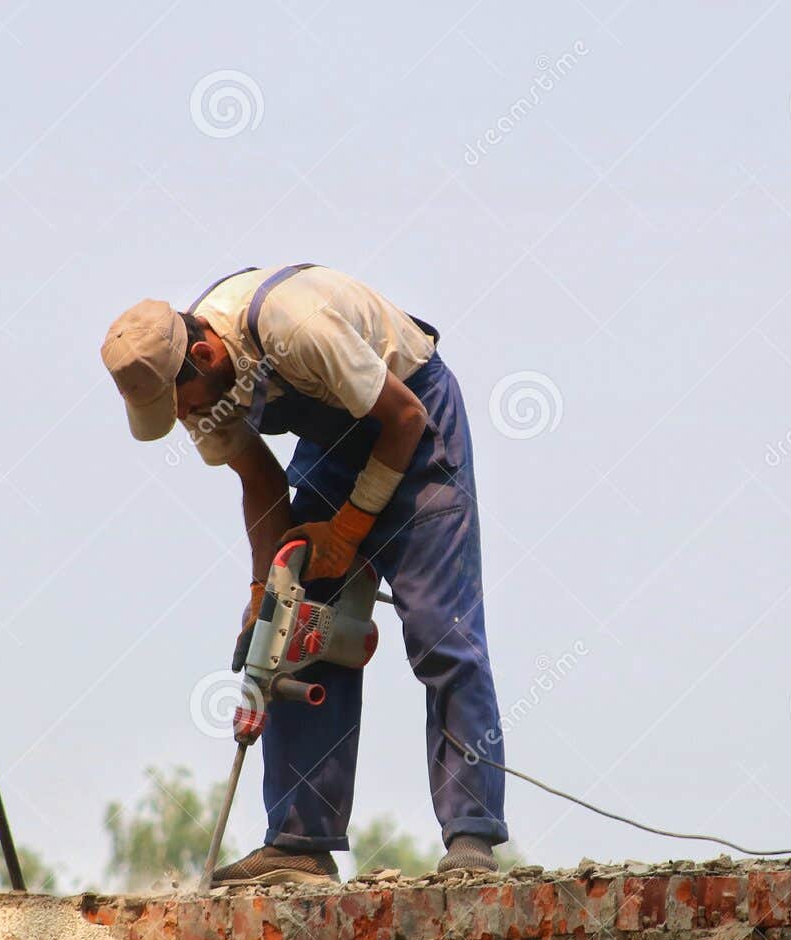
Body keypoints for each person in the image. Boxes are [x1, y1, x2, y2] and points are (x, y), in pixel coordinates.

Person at [101, 263, 508, 884]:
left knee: (439, 632)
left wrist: (347, 531)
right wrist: (267, 592)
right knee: (292, 629)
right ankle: (300, 844)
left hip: (414, 420)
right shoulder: (194, 386)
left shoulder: (295, 324)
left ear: (205, 354)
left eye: (186, 408)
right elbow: (261, 480)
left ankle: (471, 839)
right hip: (335, 444)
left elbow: (401, 420)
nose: (188, 422)